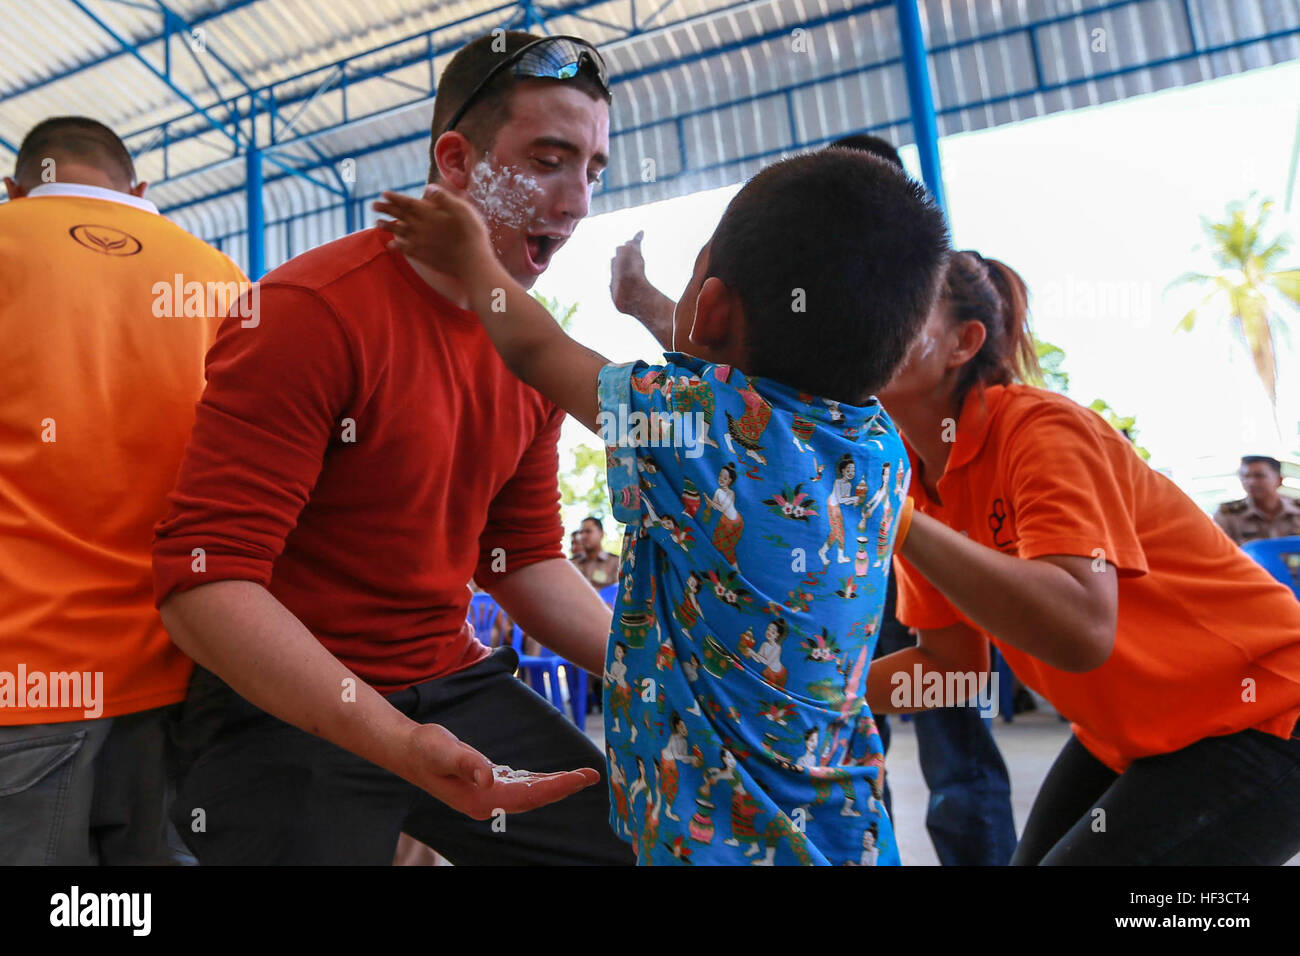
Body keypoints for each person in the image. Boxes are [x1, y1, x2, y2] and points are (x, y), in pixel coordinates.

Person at [375, 145, 951, 864]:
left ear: (709, 310)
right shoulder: (880, 452)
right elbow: (727, 366)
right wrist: (645, 295)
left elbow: (535, 347)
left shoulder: (694, 428)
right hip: (847, 831)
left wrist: (472, 262)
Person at [152, 31, 631, 865]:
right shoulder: (309, 312)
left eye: (593, 171)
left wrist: (655, 665)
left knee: (629, 846)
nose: (578, 202)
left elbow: (521, 559)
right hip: (288, 707)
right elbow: (204, 584)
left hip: (450, 682)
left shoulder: (527, 346)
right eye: (550, 159)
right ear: (456, 160)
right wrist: (397, 744)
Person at [610, 131, 1018, 867]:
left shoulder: (715, 424)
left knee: (958, 767)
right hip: (858, 687)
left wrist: (481, 278)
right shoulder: (884, 444)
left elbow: (703, 383)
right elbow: (725, 371)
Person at [866, 249, 1300, 864]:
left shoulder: (1039, 431)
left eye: (897, 307)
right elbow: (950, 667)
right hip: (1138, 731)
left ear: (964, 343)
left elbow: (1081, 630)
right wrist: (806, 692)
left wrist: (900, 522)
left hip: (1268, 711)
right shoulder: (913, 480)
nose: (862, 320)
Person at [0, 117, 247, 864]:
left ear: (16, 189)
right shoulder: (222, 280)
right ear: (140, 191)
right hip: (191, 674)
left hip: (23, 678)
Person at [1214, 455, 1300, 545]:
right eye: (1245, 476)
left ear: (1279, 480)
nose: (1251, 482)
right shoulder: (1228, 515)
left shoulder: (1297, 510)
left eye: (1259, 476)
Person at [572, 515, 620, 588]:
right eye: (581, 532)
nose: (583, 536)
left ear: (601, 534)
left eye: (588, 531)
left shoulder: (615, 563)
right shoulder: (573, 564)